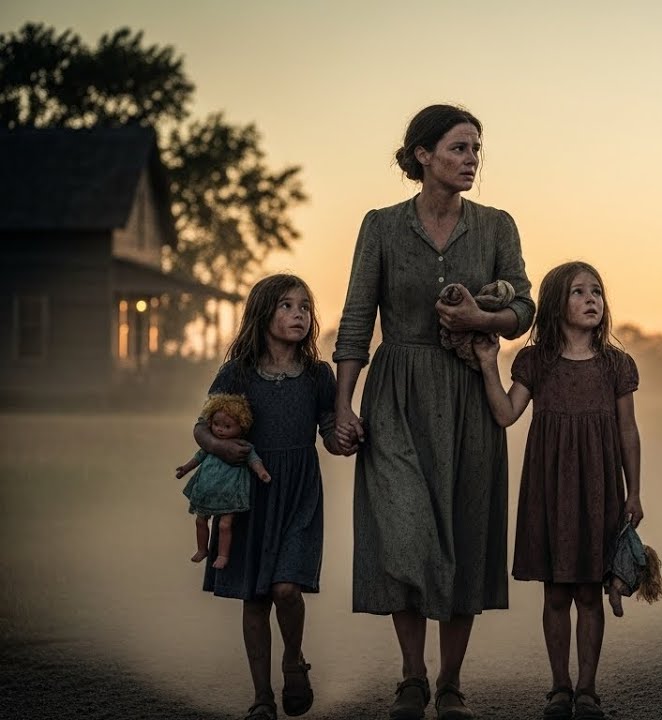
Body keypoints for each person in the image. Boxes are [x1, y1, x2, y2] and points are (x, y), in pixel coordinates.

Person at [331, 103, 535, 720]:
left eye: (476, 149)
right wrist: (342, 403)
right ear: (423, 155)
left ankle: (448, 684)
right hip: (396, 393)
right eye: (459, 148)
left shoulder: (497, 226)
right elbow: (356, 317)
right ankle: (410, 676)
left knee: (465, 531)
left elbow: (524, 309)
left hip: (470, 392)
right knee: (404, 527)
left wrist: (482, 319)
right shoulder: (383, 226)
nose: (472, 160)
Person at [471, 260, 642, 720]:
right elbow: (507, 413)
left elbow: (628, 431)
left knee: (589, 592)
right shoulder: (536, 362)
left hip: (599, 488)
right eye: (578, 292)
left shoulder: (616, 365)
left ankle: (587, 689)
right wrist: (489, 365)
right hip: (550, 488)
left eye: (597, 292)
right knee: (555, 594)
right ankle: (559, 688)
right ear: (553, 305)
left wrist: (634, 493)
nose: (591, 300)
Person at [194, 273, 343, 720]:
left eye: (304, 307)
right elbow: (202, 427)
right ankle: (262, 696)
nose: (299, 314)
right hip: (248, 497)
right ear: (263, 314)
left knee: (285, 588)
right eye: (286, 306)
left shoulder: (318, 375)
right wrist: (220, 446)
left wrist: (347, 436)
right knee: (255, 597)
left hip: (298, 493)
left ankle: (293, 660)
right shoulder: (238, 373)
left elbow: (330, 430)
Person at [176, 392, 271, 569]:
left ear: (241, 427)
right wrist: (185, 469)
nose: (220, 430)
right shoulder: (211, 445)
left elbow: (254, 460)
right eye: (216, 424)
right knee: (200, 520)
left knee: (225, 525)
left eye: (227, 426)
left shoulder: (242, 447)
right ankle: (202, 549)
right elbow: (197, 458)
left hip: (230, 492)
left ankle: (222, 555)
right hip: (207, 490)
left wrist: (262, 472)